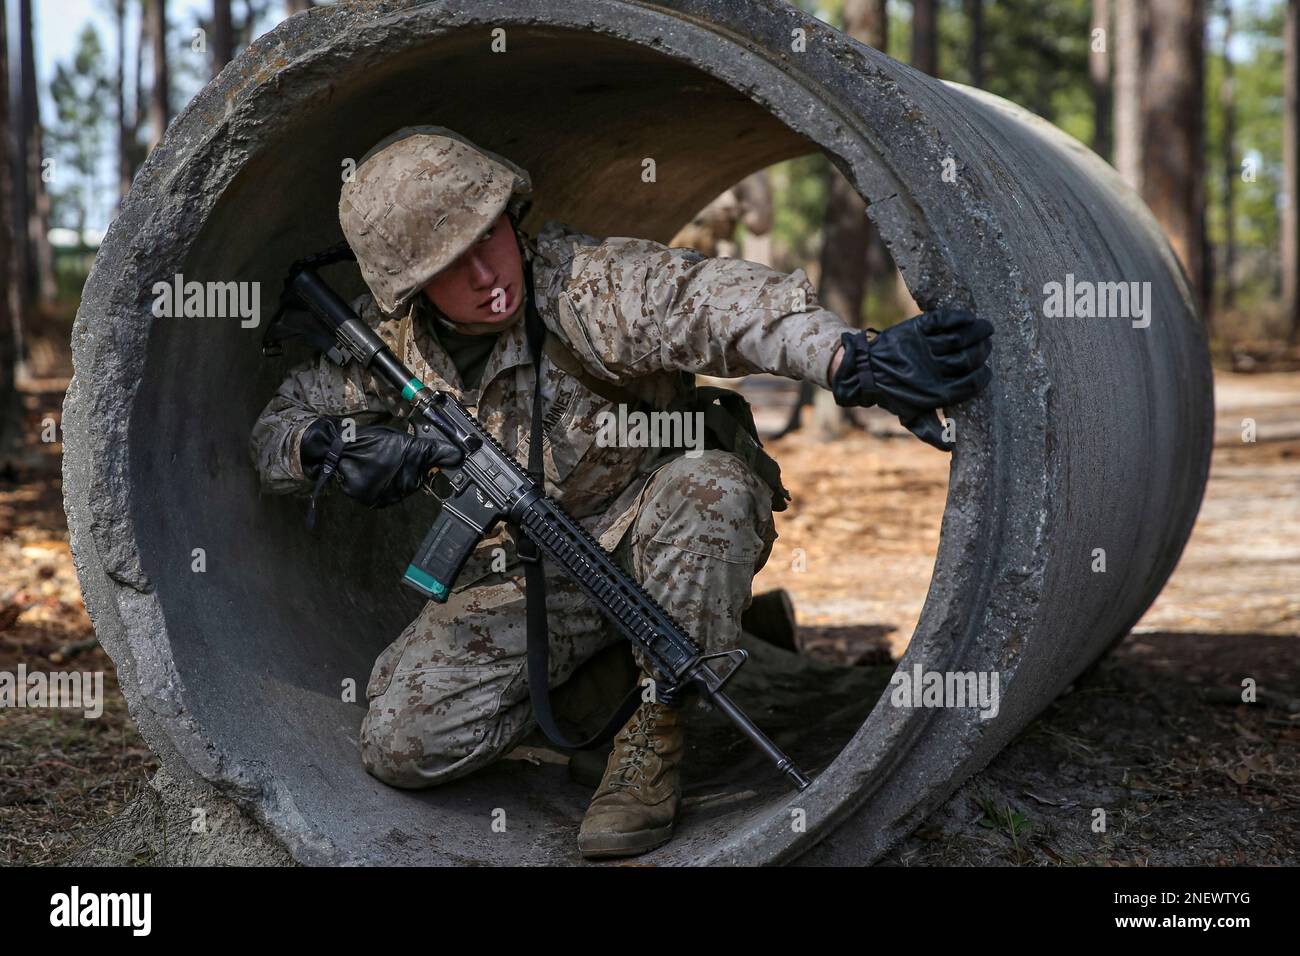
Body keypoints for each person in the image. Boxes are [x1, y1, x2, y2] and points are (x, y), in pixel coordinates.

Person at [248, 125, 993, 859]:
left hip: (656, 530)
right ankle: (606, 691)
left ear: (512, 215)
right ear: (410, 286)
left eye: (489, 238)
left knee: (711, 490)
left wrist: (845, 359)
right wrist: (330, 447)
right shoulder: (390, 355)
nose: (487, 274)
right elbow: (276, 431)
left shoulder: (586, 288)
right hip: (528, 574)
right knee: (401, 746)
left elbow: (712, 302)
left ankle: (658, 725)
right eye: (452, 265)